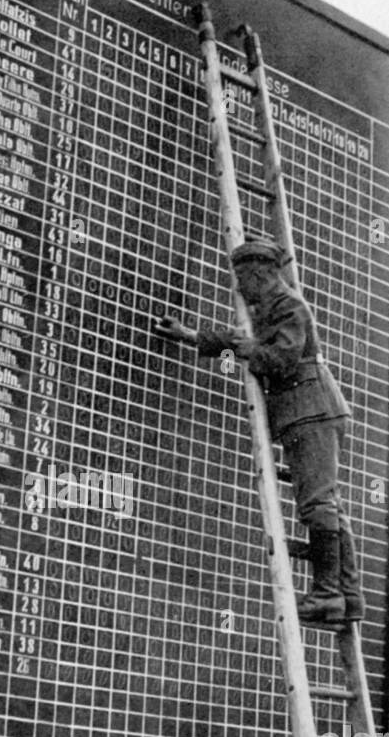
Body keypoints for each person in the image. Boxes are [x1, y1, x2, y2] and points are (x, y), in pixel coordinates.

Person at [155, 237, 365, 627]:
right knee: (327, 504)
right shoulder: (271, 306)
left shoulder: (289, 307)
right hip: (306, 411)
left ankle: (328, 593)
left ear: (259, 274)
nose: (239, 286)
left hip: (311, 410)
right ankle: (346, 595)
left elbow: (280, 360)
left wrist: (249, 349)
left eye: (242, 277)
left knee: (318, 504)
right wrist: (191, 336)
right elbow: (242, 344)